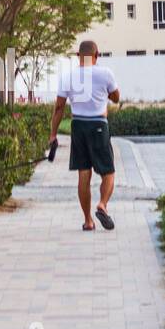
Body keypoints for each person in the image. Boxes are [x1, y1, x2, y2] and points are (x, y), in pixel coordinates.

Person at [49, 40, 120, 231]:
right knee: (108, 171)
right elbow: (116, 97)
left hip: (78, 125)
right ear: (96, 55)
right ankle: (102, 205)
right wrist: (105, 93)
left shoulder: (68, 76)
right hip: (98, 124)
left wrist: (53, 135)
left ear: (78, 56)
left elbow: (59, 108)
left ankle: (88, 221)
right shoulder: (105, 73)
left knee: (83, 173)